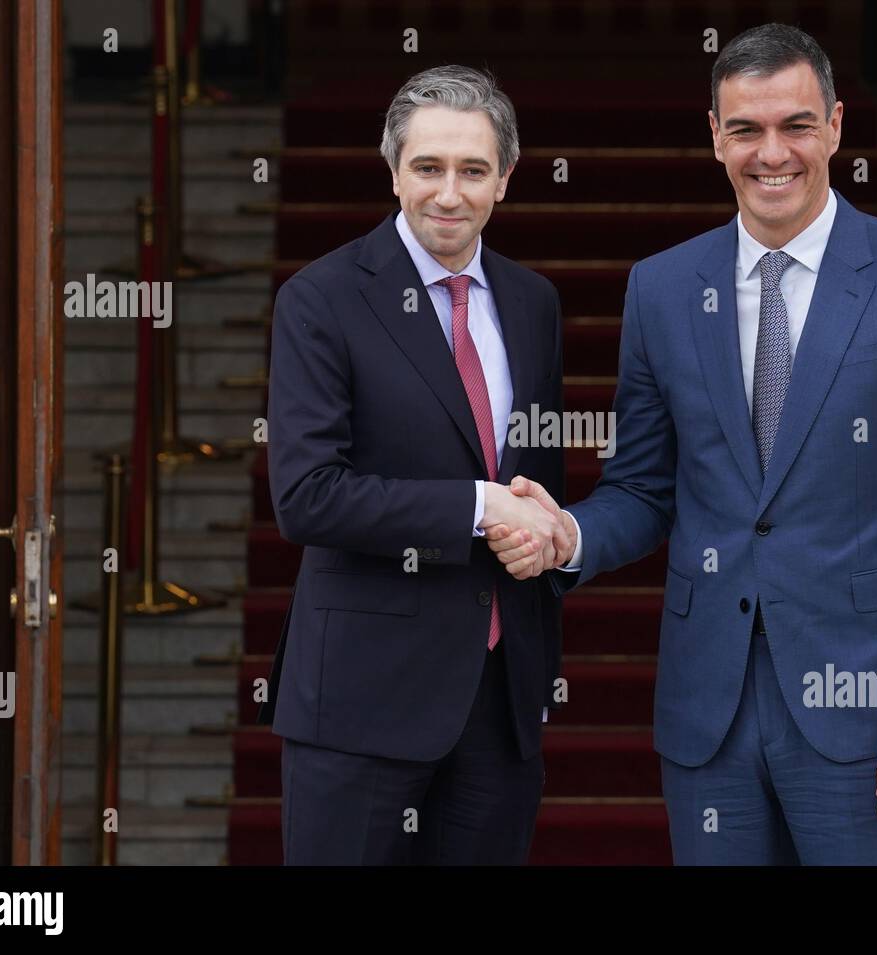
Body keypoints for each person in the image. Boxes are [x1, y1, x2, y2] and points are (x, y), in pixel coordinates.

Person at [486, 23, 877, 865]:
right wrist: (569, 534)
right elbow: (645, 487)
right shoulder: (661, 288)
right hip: (709, 718)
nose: (774, 153)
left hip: (872, 717)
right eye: (747, 129)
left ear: (835, 127)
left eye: (796, 125)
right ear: (715, 137)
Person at [260, 65, 570, 865]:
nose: (448, 193)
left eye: (472, 170)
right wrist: (480, 507)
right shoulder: (320, 298)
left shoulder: (533, 301)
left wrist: (544, 535)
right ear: (392, 168)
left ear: (505, 179)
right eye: (427, 167)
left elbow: (535, 482)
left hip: (501, 699)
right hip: (362, 700)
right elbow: (308, 496)